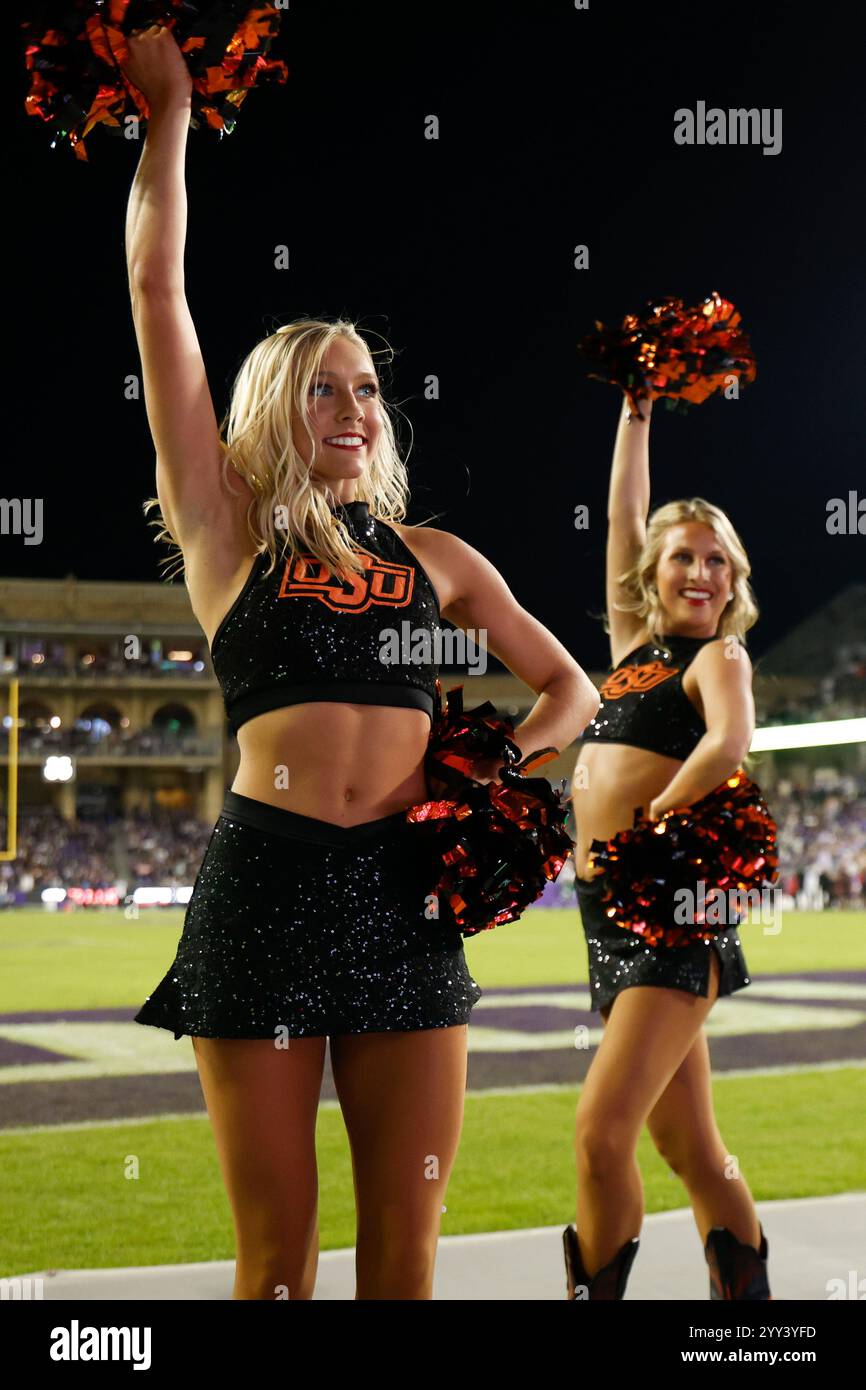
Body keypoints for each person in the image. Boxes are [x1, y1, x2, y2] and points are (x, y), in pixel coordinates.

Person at [121, 25, 600, 1301]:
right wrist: (169, 115)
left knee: (405, 1248)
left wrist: (483, 776)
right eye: (323, 389)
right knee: (276, 1261)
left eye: (368, 389)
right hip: (264, 889)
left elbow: (575, 689)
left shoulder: (436, 552)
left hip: (407, 898)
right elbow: (157, 290)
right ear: (274, 404)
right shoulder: (224, 529)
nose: (353, 409)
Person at [566, 392, 772, 1301]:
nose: (699, 572)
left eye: (715, 561)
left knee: (600, 1135)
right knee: (690, 1147)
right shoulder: (630, 649)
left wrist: (661, 815)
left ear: (733, 581)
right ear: (655, 571)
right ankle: (751, 1319)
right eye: (682, 556)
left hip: (670, 920)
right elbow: (620, 516)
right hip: (602, 921)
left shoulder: (718, 660)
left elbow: (728, 745)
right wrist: (636, 411)